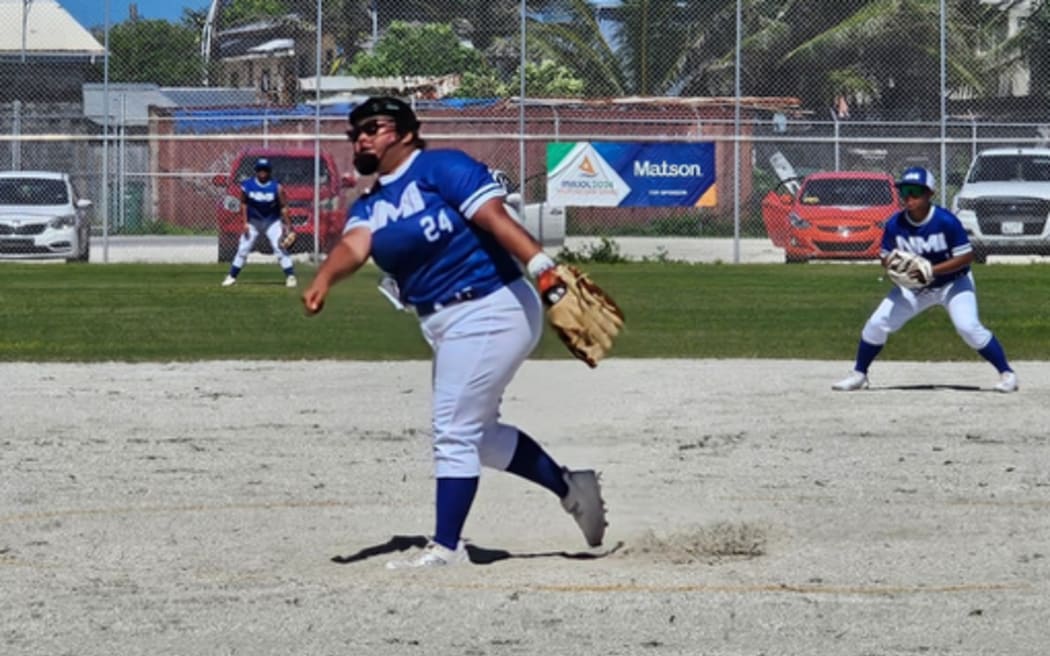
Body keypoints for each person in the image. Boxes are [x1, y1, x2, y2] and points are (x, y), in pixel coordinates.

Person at [301, 96, 608, 568]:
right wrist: (324, 278)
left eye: (374, 127)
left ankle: (446, 547)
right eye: (355, 131)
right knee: (478, 435)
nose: (361, 136)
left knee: (452, 432)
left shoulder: (441, 168)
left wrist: (542, 265)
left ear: (404, 132)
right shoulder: (371, 204)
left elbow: (494, 218)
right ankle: (570, 486)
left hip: (491, 305)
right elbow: (354, 245)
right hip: (443, 322)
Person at [832, 166, 1018, 393]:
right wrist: (900, 269)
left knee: (968, 326)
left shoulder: (945, 221)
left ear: (930, 194)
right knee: (876, 323)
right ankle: (859, 374)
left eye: (915, 192)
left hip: (953, 283)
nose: (908, 197)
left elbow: (966, 256)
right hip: (914, 288)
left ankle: (1007, 374)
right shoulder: (895, 224)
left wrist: (931, 270)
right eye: (905, 192)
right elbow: (885, 257)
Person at [221, 158, 297, 288]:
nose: (262, 172)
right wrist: (244, 223)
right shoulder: (247, 185)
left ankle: (290, 276)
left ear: (269, 171)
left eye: (265, 169)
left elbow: (284, 207)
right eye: (260, 169)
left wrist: (289, 226)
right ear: (256, 171)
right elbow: (244, 204)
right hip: (253, 222)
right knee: (243, 249)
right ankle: (232, 276)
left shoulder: (276, 187)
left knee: (279, 247)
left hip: (272, 221)